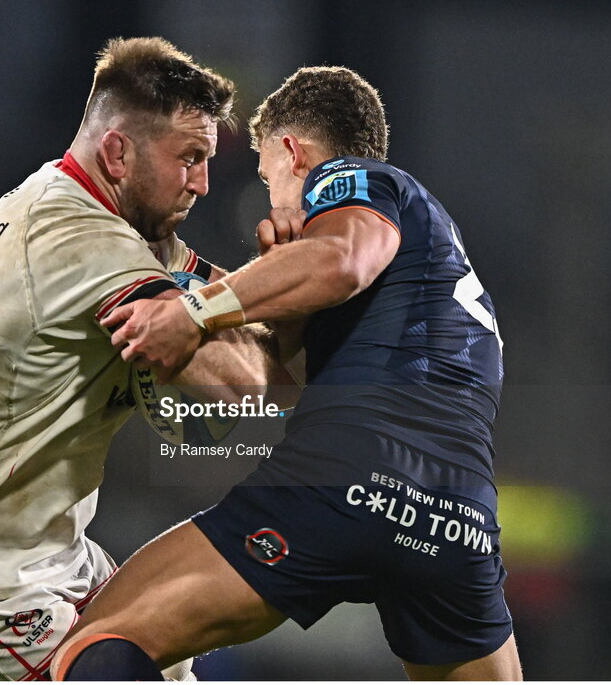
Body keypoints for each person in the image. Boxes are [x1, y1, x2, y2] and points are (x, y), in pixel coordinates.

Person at [51, 66, 522, 681]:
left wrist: (194, 311)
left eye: (269, 177)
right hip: (460, 522)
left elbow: (341, 259)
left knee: (100, 640)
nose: (273, 198)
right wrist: (283, 286)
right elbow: (286, 380)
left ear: (293, 153)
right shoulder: (433, 250)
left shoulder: (358, 179)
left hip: (347, 481)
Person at [0, 37, 294, 681]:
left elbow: (243, 307)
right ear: (118, 152)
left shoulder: (130, 231)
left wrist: (286, 288)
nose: (202, 181)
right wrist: (311, 323)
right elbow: (242, 387)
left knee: (173, 667)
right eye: (190, 158)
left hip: (43, 555)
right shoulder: (79, 240)